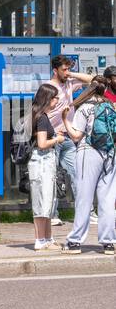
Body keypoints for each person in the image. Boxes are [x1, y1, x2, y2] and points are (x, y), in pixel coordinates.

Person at [63, 80, 116, 254]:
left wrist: (65, 120)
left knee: (84, 198)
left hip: (89, 152)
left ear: (90, 89)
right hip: (111, 153)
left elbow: (77, 136)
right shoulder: (111, 107)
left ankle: (75, 241)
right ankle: (109, 242)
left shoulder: (84, 108)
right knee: (108, 199)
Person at [47, 54, 93, 224]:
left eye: (69, 69)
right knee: (52, 176)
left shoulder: (69, 84)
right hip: (53, 137)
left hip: (67, 137)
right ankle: (52, 214)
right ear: (55, 70)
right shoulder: (48, 87)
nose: (67, 72)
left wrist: (72, 75)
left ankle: (84, 213)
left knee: (78, 174)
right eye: (64, 69)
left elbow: (92, 79)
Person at [27, 82, 65, 251]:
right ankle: (40, 240)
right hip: (42, 161)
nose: (57, 100)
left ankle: (47, 238)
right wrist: (57, 139)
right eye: (55, 97)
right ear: (48, 98)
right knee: (43, 201)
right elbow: (42, 143)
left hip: (41, 161)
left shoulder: (38, 115)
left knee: (47, 200)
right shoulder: (42, 118)